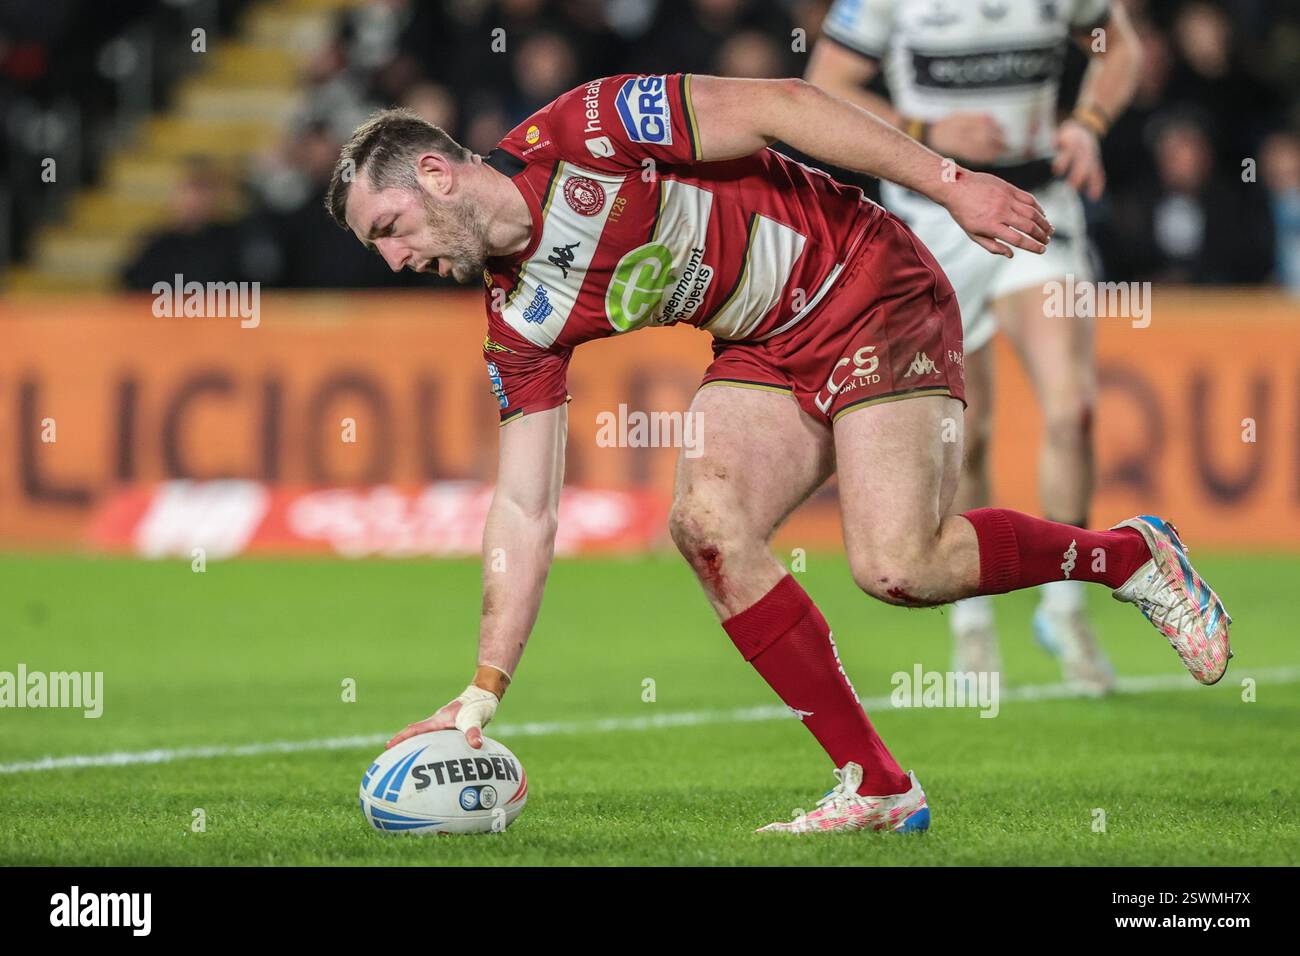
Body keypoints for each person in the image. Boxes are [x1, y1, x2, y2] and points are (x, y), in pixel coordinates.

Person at [325, 73, 1230, 833]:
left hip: (869, 282)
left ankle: (1129, 556)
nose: (396, 259)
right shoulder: (517, 322)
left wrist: (951, 183)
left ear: (438, 173)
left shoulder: (591, 127)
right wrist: (485, 686)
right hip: (764, 343)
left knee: (899, 567)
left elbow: (782, 104)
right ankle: (878, 786)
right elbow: (524, 507)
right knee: (706, 525)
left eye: (389, 229)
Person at [806, 0, 1142, 694]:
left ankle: (1065, 609)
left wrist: (1088, 124)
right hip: (936, 215)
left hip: (1040, 202)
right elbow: (825, 84)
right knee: (972, 432)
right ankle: (974, 625)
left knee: (1073, 407)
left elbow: (1121, 45)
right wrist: (928, 129)